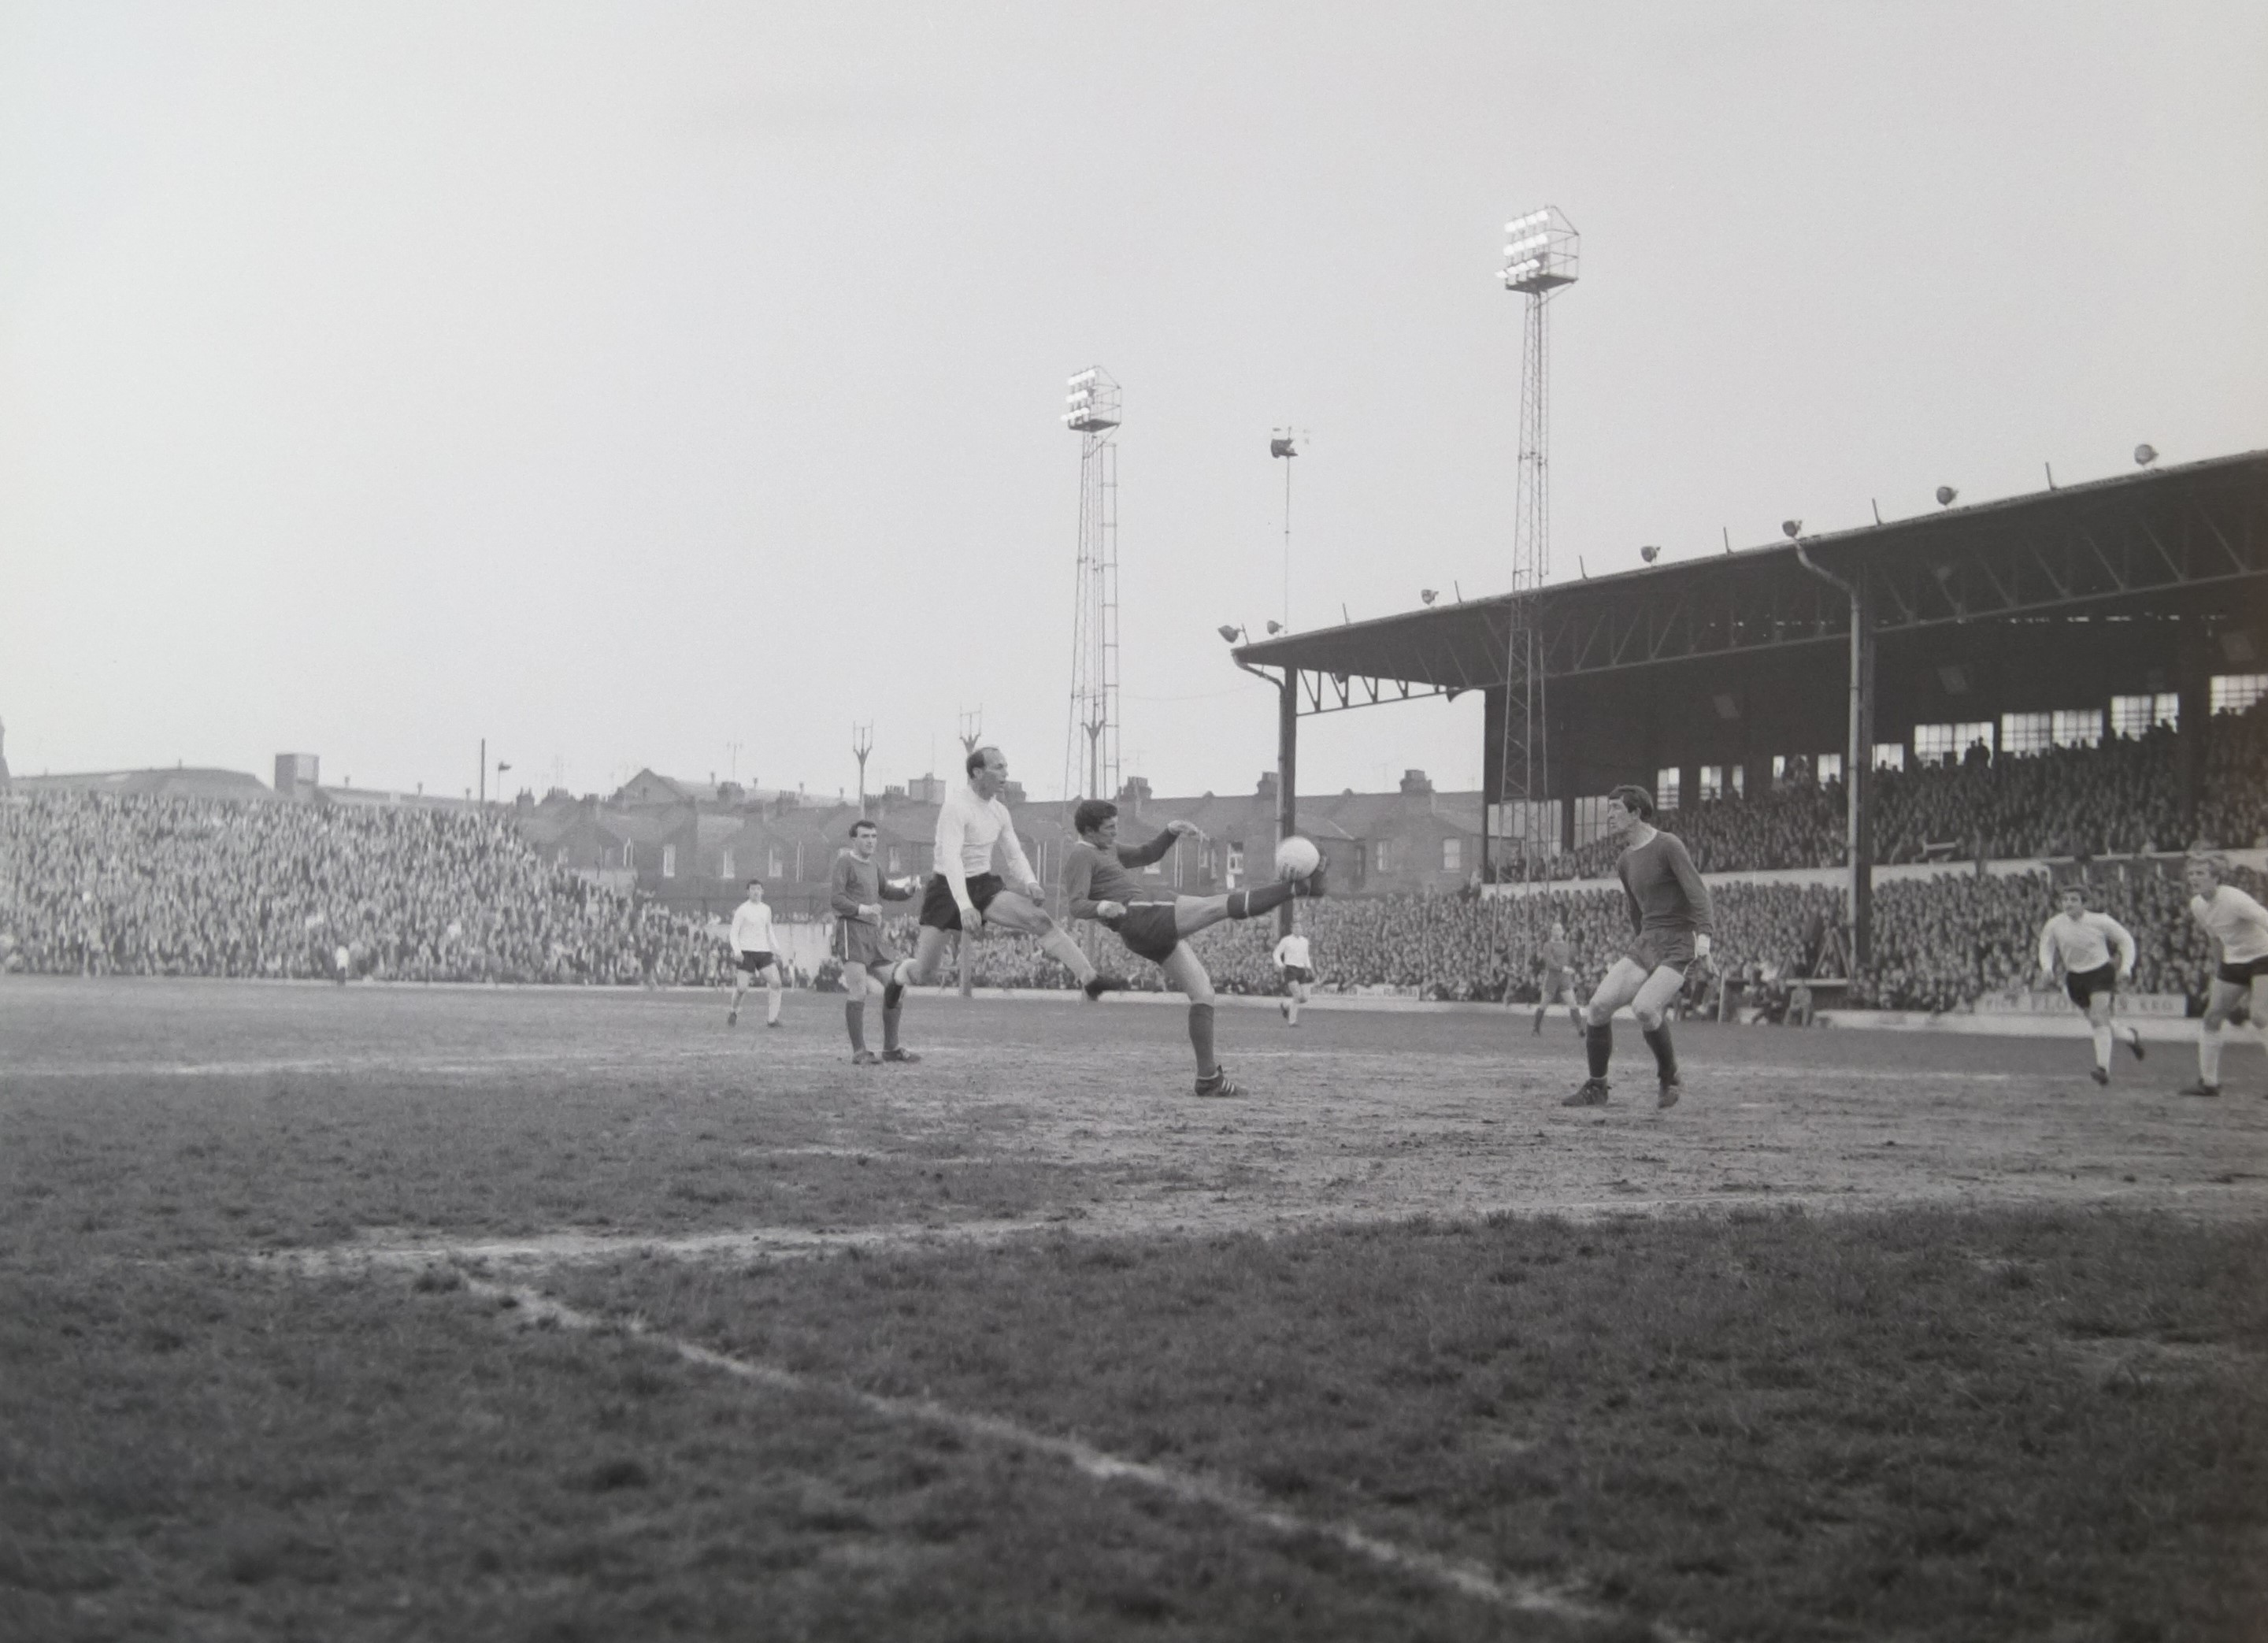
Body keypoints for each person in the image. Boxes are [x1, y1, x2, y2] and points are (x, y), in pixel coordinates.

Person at [1062, 799, 1325, 1096]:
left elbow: (1147, 854)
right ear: (1089, 831)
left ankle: (1208, 1079)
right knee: (1217, 906)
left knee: (1203, 994)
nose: (1114, 832)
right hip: (1141, 913)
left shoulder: (1104, 848)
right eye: (1109, 828)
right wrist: (1102, 906)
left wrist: (1171, 831)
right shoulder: (1080, 857)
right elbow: (1076, 905)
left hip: (1141, 928)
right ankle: (1296, 889)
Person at [882, 747, 1125, 1006]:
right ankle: (898, 975)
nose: (1005, 773)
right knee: (923, 973)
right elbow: (951, 859)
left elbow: (1014, 854)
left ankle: (1090, 978)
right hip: (946, 889)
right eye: (998, 767)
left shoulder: (1000, 812)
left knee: (1039, 920)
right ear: (977, 772)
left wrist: (1030, 881)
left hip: (983, 885)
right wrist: (964, 906)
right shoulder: (956, 806)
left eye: (1006, 767)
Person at [1566, 784, 1714, 1111]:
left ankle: (1669, 1077)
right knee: (1599, 1006)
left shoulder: (1668, 846)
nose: (1610, 816)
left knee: (1645, 1009)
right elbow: (1636, 910)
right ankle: (1597, 1087)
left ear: (1636, 813)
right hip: (1647, 941)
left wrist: (1704, 941)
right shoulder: (1624, 861)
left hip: (1678, 941)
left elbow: (1698, 893)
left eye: (1617, 809)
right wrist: (1638, 951)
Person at [830, 818, 919, 1066]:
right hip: (852, 932)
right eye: (865, 836)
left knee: (897, 987)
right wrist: (864, 908)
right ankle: (859, 1051)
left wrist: (907, 892)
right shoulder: (844, 863)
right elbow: (836, 899)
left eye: (873, 837)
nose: (870, 841)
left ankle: (891, 1048)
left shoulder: (873, 865)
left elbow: (886, 890)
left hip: (874, 936)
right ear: (854, 839)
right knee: (858, 990)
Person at [2036, 883, 2144, 1085]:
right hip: (2075, 978)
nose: (2068, 904)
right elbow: (2046, 946)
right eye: (2065, 900)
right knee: (2098, 1020)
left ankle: (2102, 1069)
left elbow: (2126, 940)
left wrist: (2126, 968)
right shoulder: (2054, 924)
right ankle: (2130, 1036)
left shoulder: (2100, 921)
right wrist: (2047, 968)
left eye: (2074, 900)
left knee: (2098, 1017)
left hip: (2100, 973)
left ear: (2084, 903)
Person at [2180, 854, 2268, 1098]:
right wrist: (2219, 970)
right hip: (2234, 961)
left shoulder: (2235, 899)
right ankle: (2209, 1083)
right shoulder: (2197, 905)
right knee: (2211, 1016)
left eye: (2201, 874)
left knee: (2260, 1016)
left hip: (2263, 956)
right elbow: (2215, 938)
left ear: (2216, 877)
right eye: (2191, 874)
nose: (2194, 878)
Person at [726, 879, 784, 1028]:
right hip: (747, 953)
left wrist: (776, 949)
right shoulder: (742, 910)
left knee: (776, 984)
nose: (756, 892)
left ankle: (772, 1019)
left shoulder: (766, 909)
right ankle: (733, 1011)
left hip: (764, 952)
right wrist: (737, 951)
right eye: (753, 889)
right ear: (748, 892)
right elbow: (733, 933)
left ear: (762, 891)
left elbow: (769, 930)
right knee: (741, 988)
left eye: (758, 889)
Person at [1529, 920, 1582, 1037]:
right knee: (1544, 1003)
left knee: (1572, 1002)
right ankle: (1536, 1028)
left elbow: (1572, 960)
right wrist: (1564, 969)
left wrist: (1574, 970)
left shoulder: (1567, 946)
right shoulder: (1548, 945)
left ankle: (1580, 1029)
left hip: (1564, 978)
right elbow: (1550, 962)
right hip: (1552, 978)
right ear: (1552, 932)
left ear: (1562, 932)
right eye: (1554, 930)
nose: (1557, 932)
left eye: (1559, 930)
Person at [1273, 920, 1314, 1027]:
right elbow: (1276, 953)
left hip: (1302, 970)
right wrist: (1281, 965)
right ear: (1292, 929)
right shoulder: (1286, 940)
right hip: (1290, 969)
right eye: (1295, 927)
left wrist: (1309, 967)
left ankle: (1286, 1005)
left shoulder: (1305, 941)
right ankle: (1292, 1021)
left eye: (1299, 928)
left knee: (1304, 998)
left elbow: (1306, 956)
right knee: (1297, 995)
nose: (1298, 929)